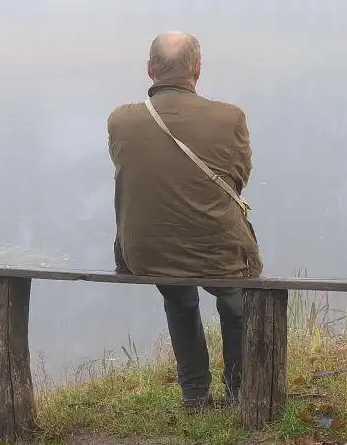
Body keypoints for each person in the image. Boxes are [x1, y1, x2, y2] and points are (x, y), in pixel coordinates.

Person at [107, 32, 263, 411]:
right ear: (197, 68)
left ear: (150, 70)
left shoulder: (121, 120)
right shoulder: (230, 118)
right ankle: (240, 391)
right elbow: (237, 178)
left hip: (146, 252)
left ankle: (194, 393)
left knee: (178, 294)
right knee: (235, 296)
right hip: (218, 250)